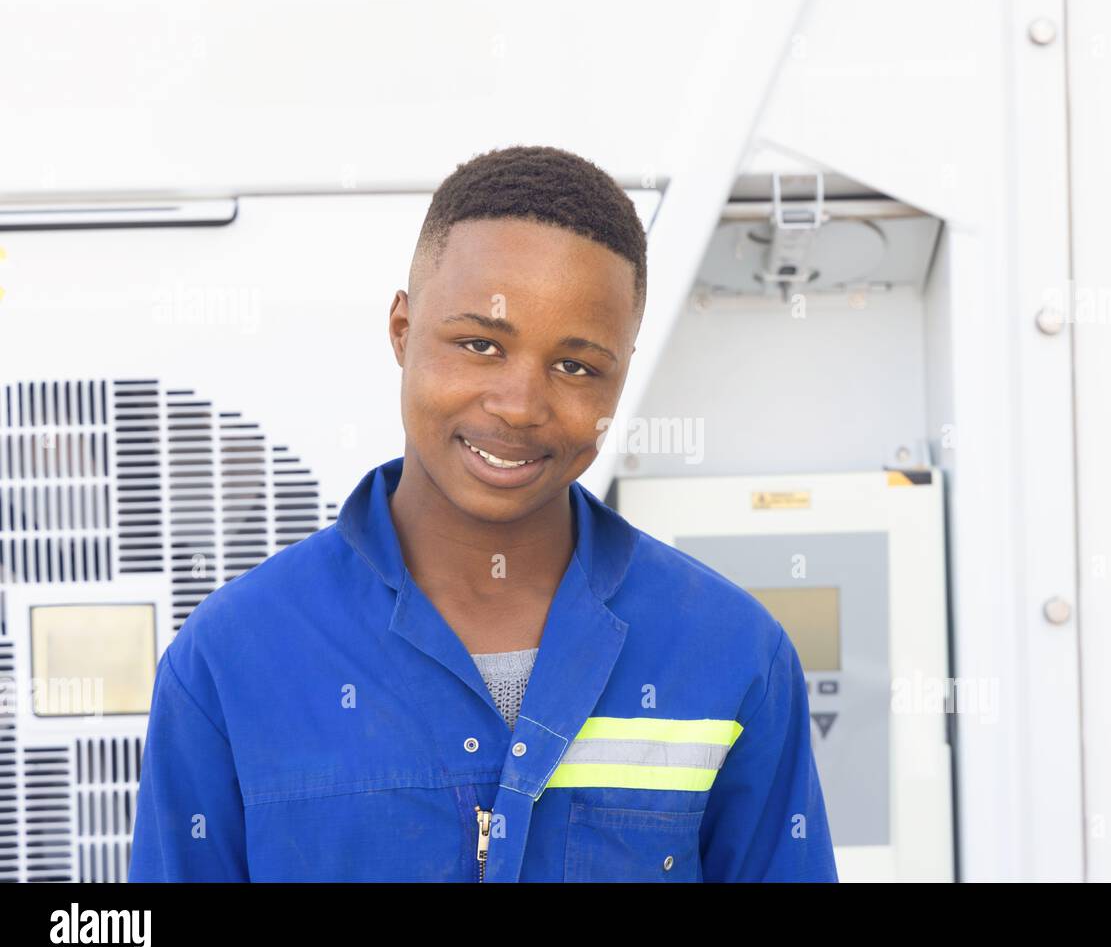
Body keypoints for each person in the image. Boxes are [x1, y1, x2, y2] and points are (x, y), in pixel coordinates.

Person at [128, 144, 838, 882]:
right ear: (402, 331)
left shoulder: (733, 655)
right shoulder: (229, 662)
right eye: (479, 344)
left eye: (576, 366)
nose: (520, 405)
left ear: (621, 375)